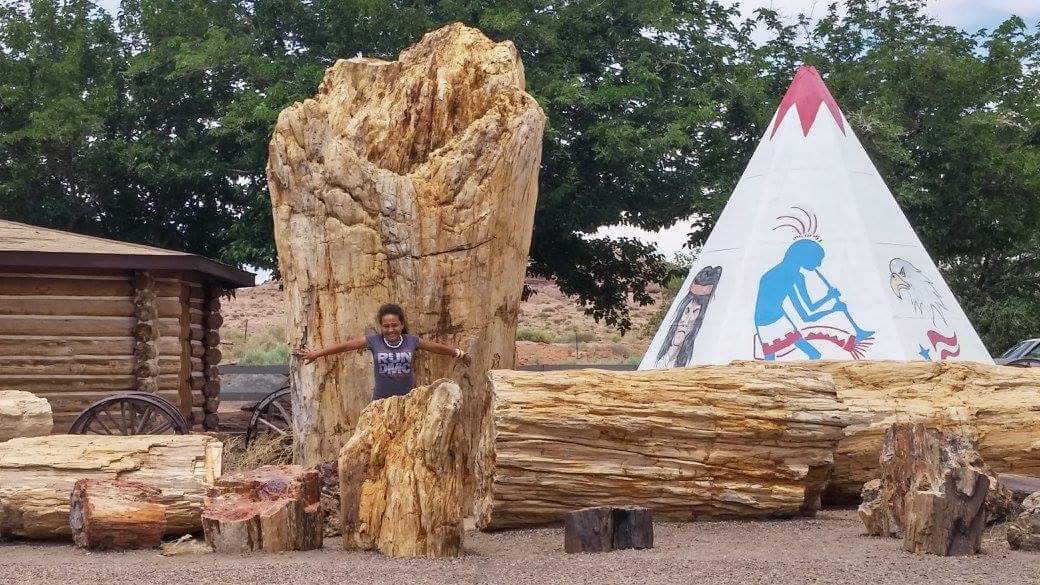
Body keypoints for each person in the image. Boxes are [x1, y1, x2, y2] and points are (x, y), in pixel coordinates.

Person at [293, 303, 471, 400]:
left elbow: (434, 347)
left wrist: (457, 353)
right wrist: (317, 353)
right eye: (386, 326)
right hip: (380, 402)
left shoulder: (412, 341)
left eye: (395, 325)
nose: (391, 329)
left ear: (402, 325)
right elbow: (345, 346)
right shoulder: (374, 341)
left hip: (406, 401)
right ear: (381, 327)